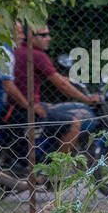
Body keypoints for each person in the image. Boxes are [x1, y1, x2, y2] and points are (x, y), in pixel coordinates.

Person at [8, 23, 101, 154]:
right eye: (44, 35)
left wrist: (68, 80)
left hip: (14, 106)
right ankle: (56, 168)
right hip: (26, 109)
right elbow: (61, 85)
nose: (49, 38)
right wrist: (87, 98)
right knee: (75, 124)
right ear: (31, 37)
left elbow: (56, 77)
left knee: (50, 106)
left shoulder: (16, 51)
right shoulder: (36, 55)